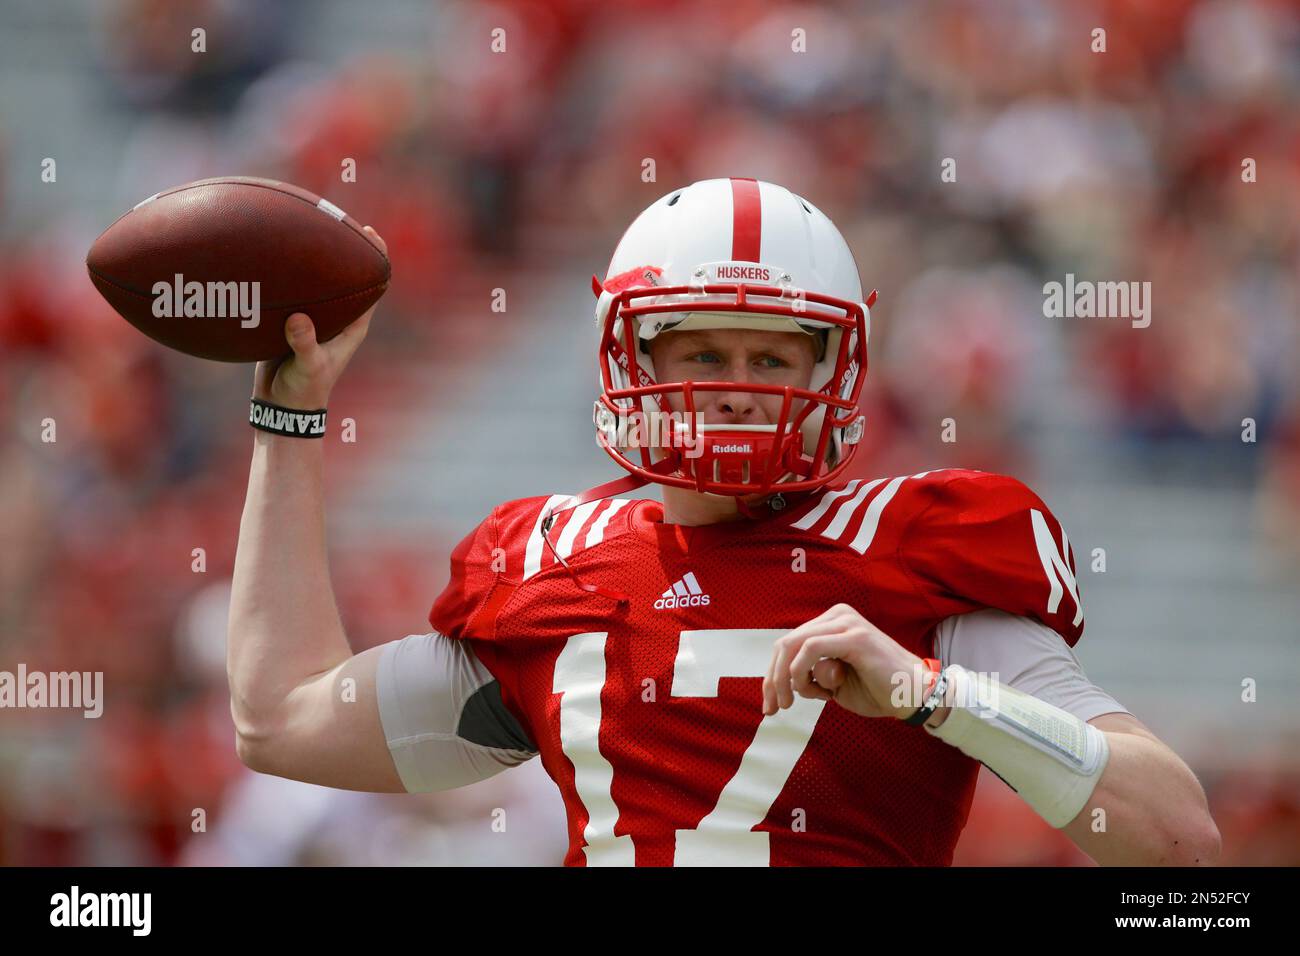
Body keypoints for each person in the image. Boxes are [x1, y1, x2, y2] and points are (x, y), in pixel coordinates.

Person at [227, 178, 1220, 866]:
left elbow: (1177, 838)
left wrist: (932, 692)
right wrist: (289, 418)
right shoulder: (559, 566)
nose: (735, 390)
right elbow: (281, 720)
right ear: (632, 362)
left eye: (771, 357)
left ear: (832, 369)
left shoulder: (913, 553)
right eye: (700, 349)